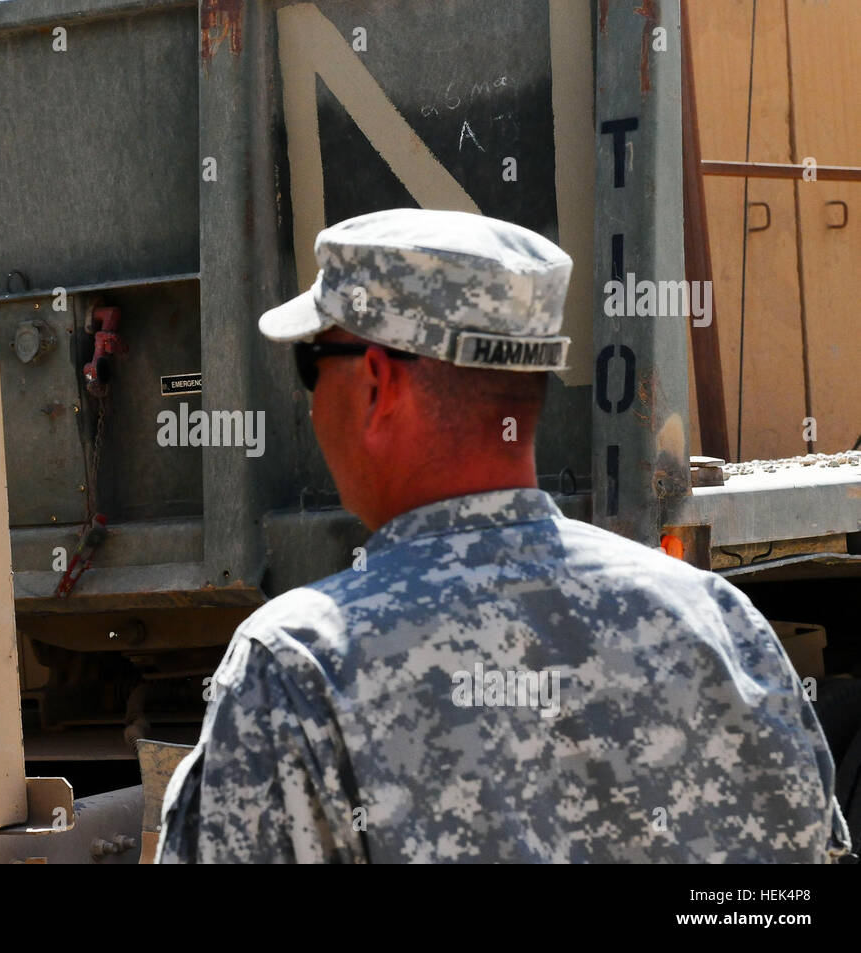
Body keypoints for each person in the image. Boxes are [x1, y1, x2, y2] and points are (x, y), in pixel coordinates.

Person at [156, 208, 852, 863]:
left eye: (311, 365)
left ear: (376, 382)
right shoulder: (723, 626)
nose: (309, 401)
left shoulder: (296, 670)